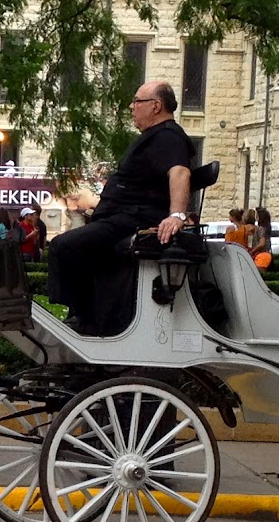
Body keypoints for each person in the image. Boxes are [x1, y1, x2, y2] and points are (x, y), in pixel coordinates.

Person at [48, 81, 194, 336]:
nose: (132, 106)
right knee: (82, 251)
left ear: (156, 106)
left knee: (64, 246)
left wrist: (177, 215)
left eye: (138, 101)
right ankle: (89, 315)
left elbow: (180, 172)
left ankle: (84, 319)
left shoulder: (168, 136)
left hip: (130, 220)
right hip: (118, 218)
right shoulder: (157, 136)